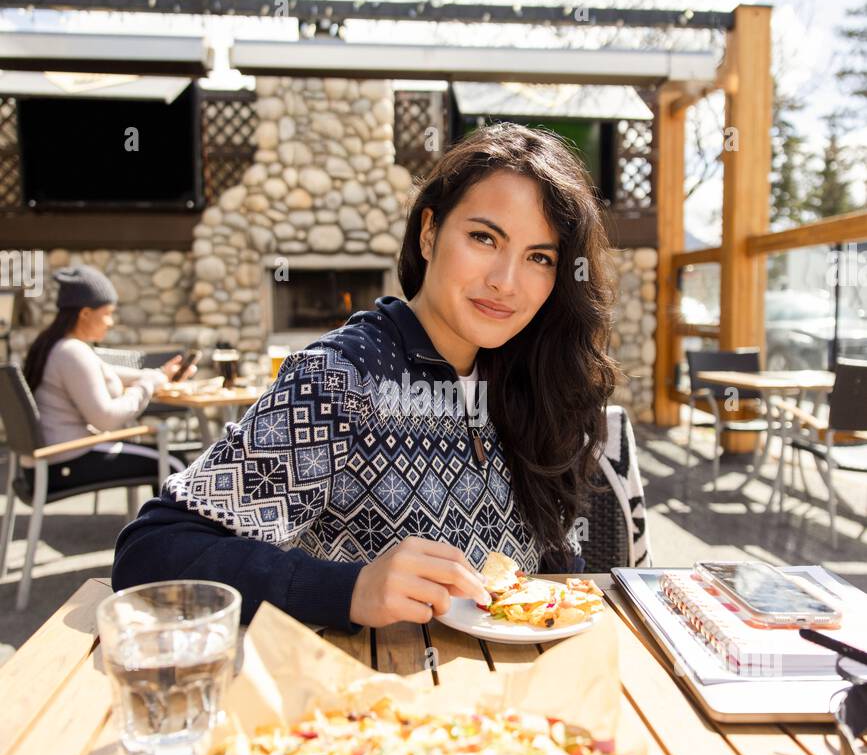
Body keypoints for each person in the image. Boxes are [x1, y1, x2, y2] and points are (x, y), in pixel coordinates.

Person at [112, 123, 622, 631]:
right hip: (370, 697)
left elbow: (555, 567)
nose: (505, 282)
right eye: (484, 237)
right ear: (429, 233)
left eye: (539, 258)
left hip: (515, 698)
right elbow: (152, 554)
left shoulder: (534, 376)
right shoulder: (342, 379)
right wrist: (349, 589)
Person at [21, 264, 192, 493]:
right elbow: (107, 419)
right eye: (108, 313)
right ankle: (170, 529)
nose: (111, 322)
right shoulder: (72, 352)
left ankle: (158, 527)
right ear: (85, 313)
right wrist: (146, 386)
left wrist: (160, 375)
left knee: (169, 459)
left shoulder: (54, 345)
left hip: (50, 460)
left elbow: (108, 373)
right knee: (174, 464)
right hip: (67, 460)